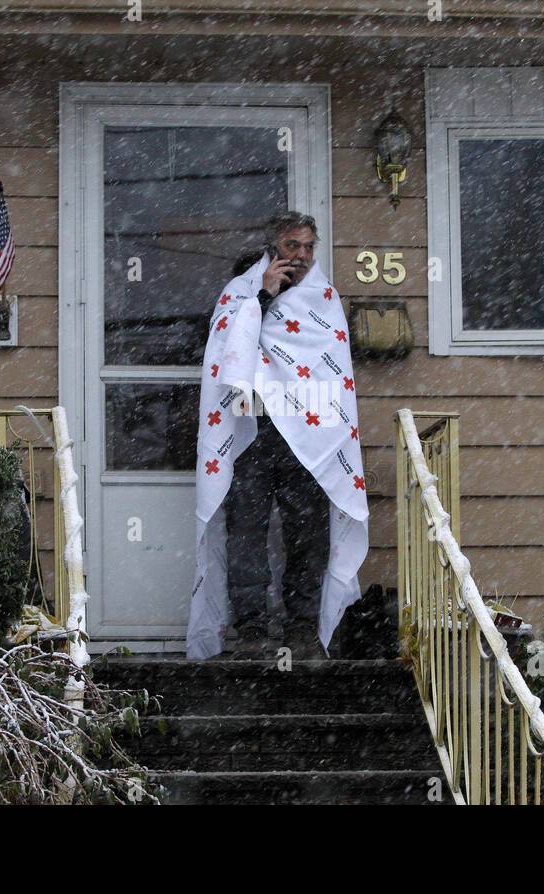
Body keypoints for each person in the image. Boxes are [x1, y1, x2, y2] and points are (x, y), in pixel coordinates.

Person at [187, 212, 369, 661]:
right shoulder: (241, 293)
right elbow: (229, 349)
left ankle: (303, 627)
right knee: (246, 530)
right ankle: (249, 629)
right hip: (252, 427)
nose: (302, 256)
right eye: (292, 246)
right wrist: (264, 296)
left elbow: (332, 365)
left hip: (307, 432)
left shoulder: (324, 299)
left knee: (306, 532)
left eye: (309, 247)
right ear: (274, 248)